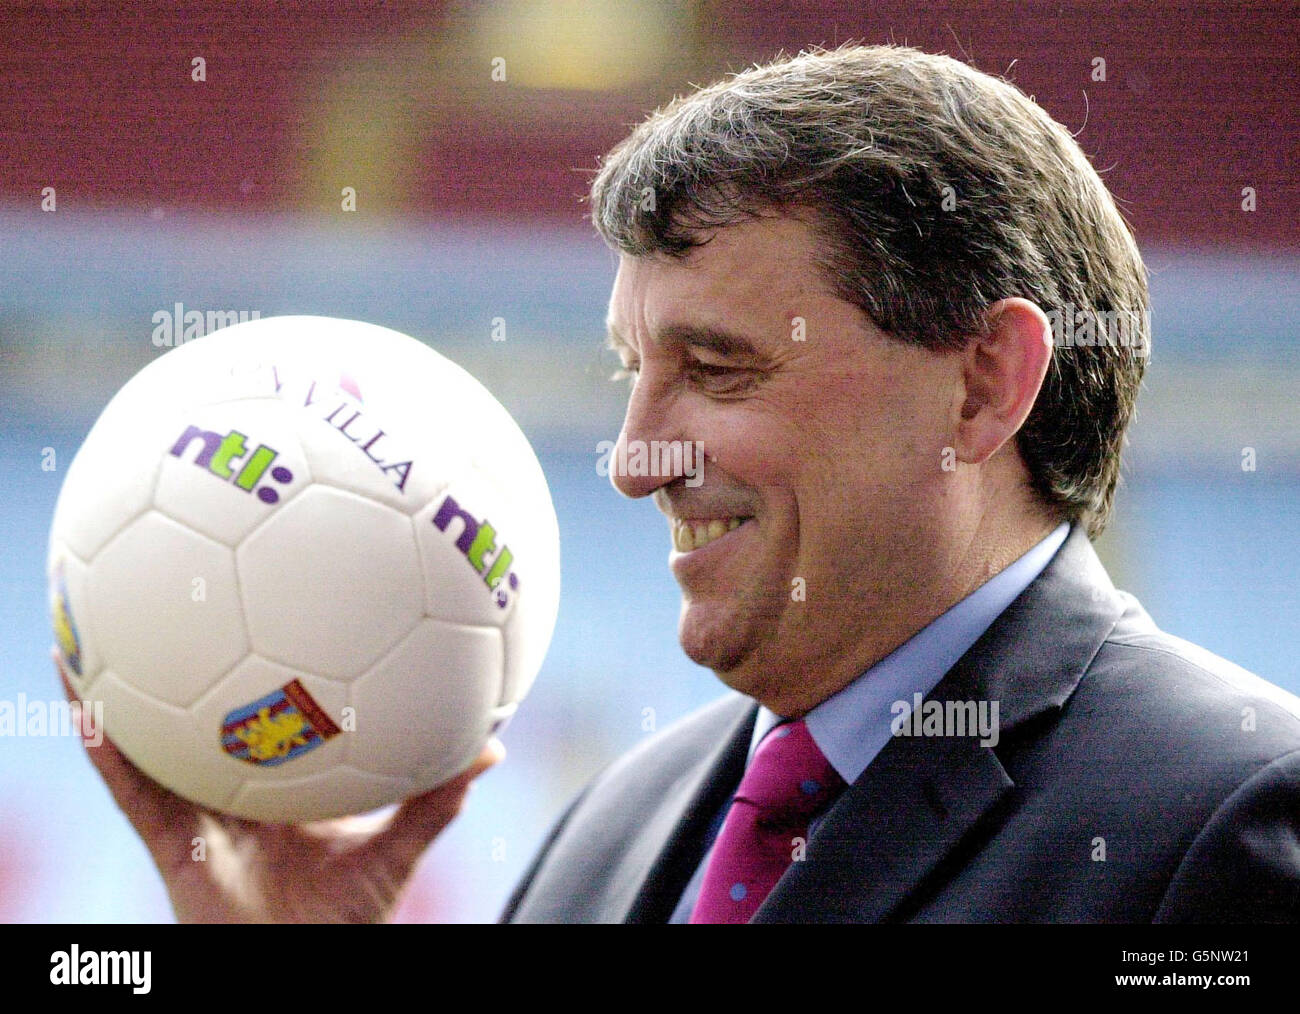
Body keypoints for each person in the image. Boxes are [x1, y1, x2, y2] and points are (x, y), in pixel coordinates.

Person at [69, 44, 1300, 923]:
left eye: (716, 368)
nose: (629, 459)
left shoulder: (1226, 824)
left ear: (981, 386)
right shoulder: (617, 824)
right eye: (629, 371)